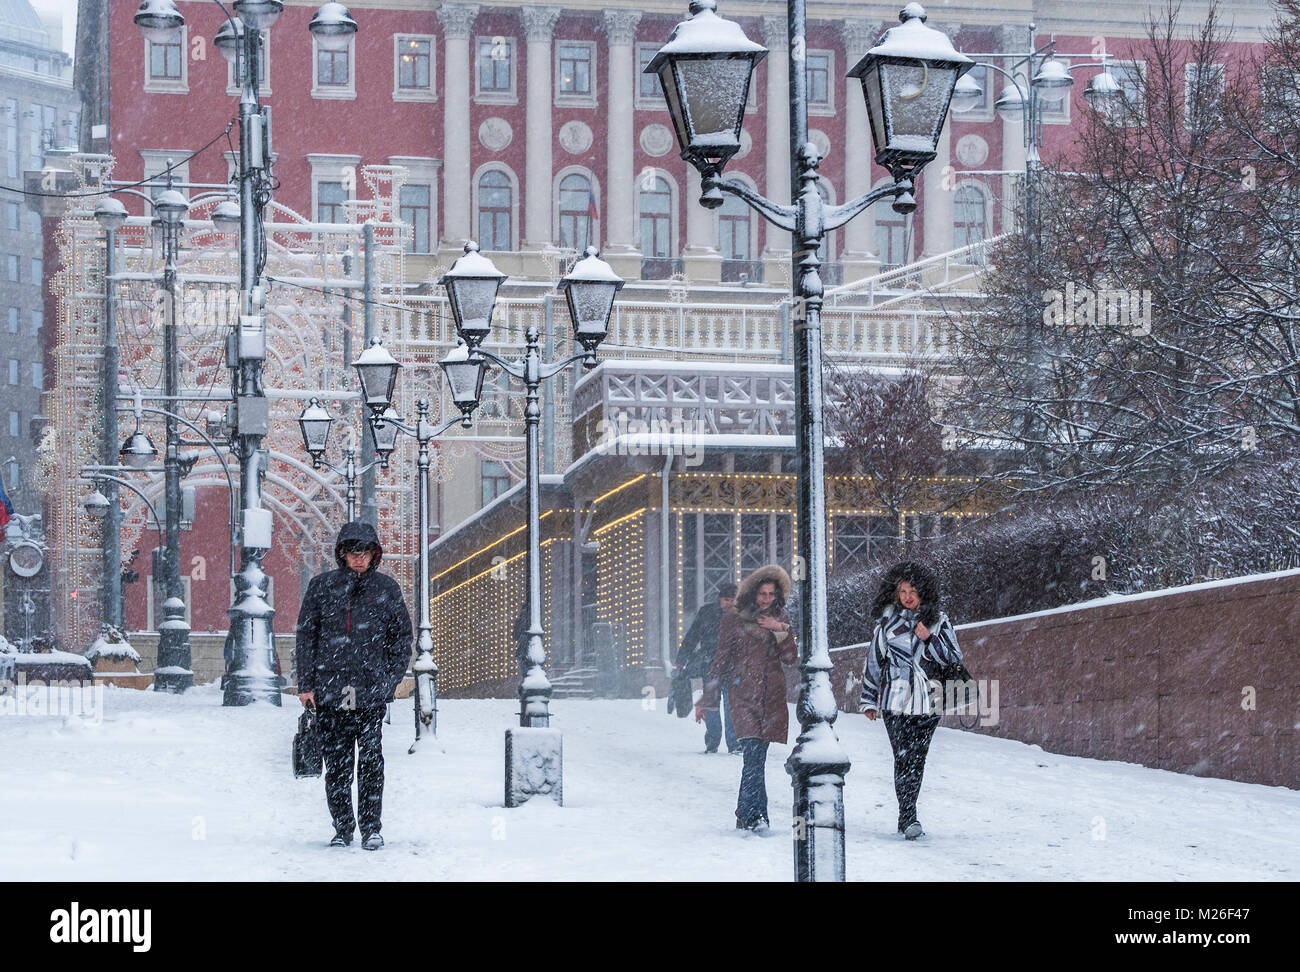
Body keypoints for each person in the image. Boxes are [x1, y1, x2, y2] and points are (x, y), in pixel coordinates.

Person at [296, 521, 412, 850]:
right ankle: (343, 828)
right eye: (352, 552)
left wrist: (389, 679)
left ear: (373, 554)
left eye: (364, 552)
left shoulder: (386, 589)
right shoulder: (322, 588)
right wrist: (306, 684)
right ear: (343, 554)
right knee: (337, 765)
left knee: (371, 762)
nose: (359, 558)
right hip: (332, 692)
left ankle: (372, 828)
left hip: (370, 692)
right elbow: (306, 637)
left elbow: (401, 638)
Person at [858, 561, 964, 841]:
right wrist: (869, 700)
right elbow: (874, 661)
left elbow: (954, 658)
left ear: (923, 592)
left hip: (929, 701)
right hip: (895, 702)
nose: (907, 596)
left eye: (912, 590)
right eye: (902, 590)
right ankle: (908, 815)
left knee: (916, 759)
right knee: (903, 758)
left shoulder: (939, 621)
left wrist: (929, 639)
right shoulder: (886, 623)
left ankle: (907, 815)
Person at [697, 565, 797, 833]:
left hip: (772, 697)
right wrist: (708, 698)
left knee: (757, 758)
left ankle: (746, 814)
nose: (766, 599)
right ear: (753, 593)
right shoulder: (734, 618)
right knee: (752, 755)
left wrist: (780, 629)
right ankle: (756, 816)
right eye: (762, 593)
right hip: (742, 694)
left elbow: (791, 658)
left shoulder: (780, 618)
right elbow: (720, 658)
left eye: (771, 594)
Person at [674, 581, 738, 753]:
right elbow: (692, 636)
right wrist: (681, 658)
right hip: (713, 665)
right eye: (726, 600)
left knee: (729, 706)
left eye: (732, 600)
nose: (729, 603)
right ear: (720, 599)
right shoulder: (708, 613)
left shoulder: (738, 615)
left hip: (729, 666)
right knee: (714, 706)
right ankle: (716, 742)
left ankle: (729, 743)